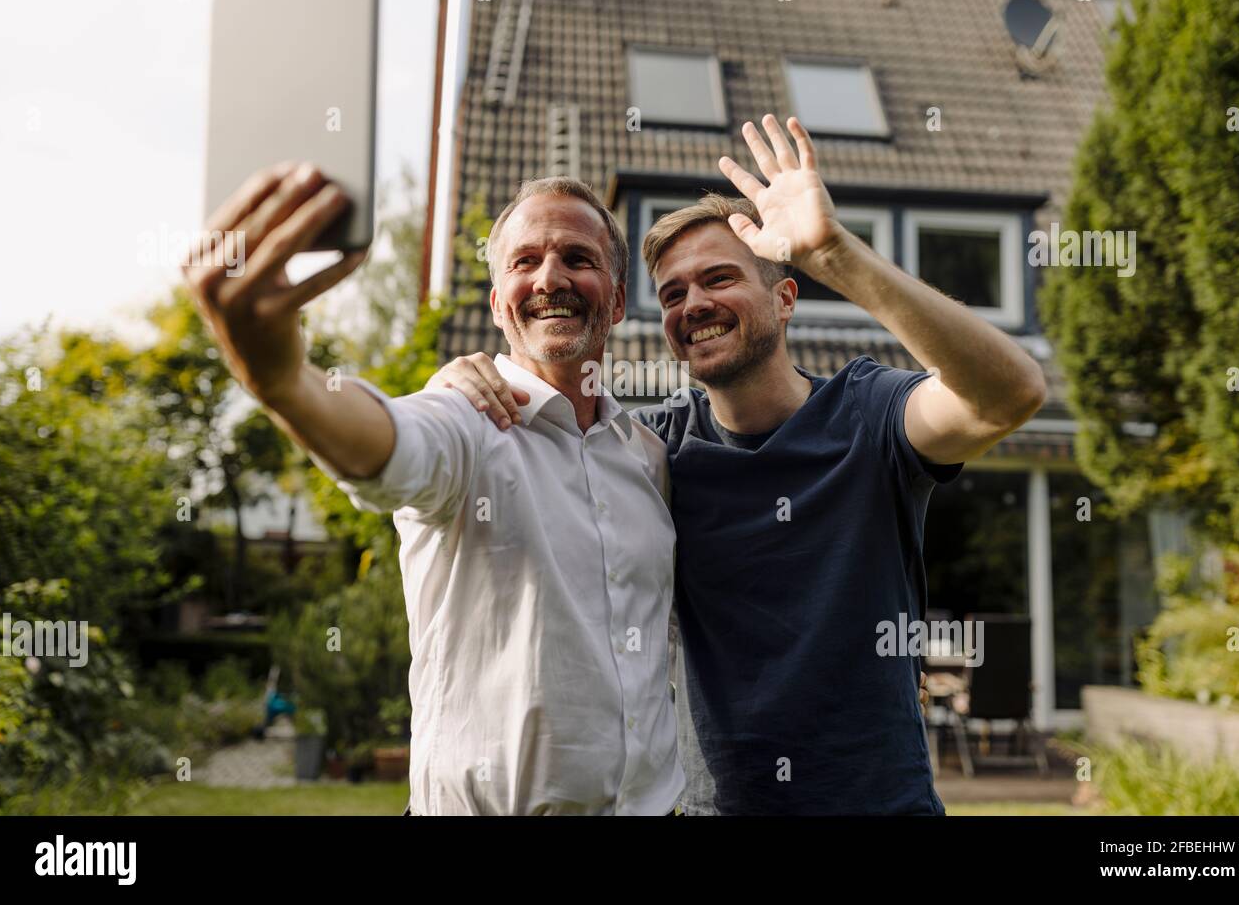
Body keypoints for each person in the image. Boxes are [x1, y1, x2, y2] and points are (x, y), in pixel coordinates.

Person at [433, 114, 1046, 814]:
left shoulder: (871, 415)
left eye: (718, 278)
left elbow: (1011, 395)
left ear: (785, 299)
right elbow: (547, 436)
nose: (694, 304)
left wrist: (835, 253)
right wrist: (463, 380)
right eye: (672, 294)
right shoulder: (651, 451)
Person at [183, 164, 682, 815]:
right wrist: (283, 380)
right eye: (525, 261)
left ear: (616, 300)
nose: (551, 278)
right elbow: (384, 439)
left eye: (577, 258)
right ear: (501, 303)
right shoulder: (463, 424)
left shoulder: (649, 458)